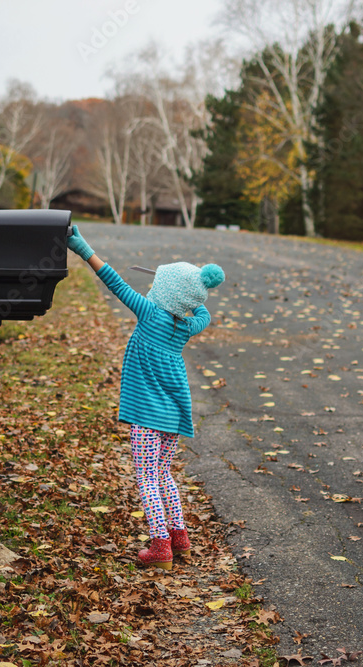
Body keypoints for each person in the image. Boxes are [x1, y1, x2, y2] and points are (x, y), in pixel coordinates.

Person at [66, 224, 225, 570]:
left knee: (146, 479)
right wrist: (193, 296)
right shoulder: (185, 327)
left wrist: (81, 247)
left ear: (162, 294)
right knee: (164, 473)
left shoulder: (149, 314)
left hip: (146, 418)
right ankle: (179, 535)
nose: (150, 288)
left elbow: (113, 281)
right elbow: (204, 314)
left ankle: (160, 545)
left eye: (156, 286)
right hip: (172, 420)